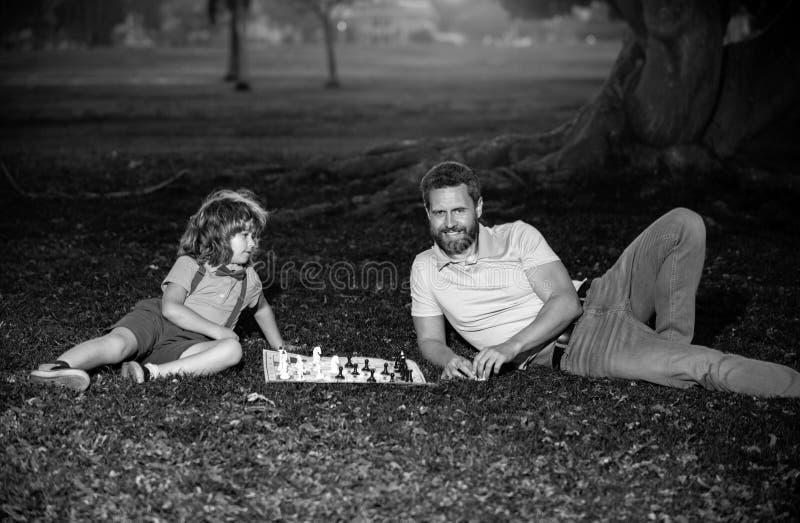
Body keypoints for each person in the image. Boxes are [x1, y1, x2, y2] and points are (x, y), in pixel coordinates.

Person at [410, 161, 800, 397]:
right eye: (439, 213)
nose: (449, 224)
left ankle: (668, 344)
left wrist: (508, 349)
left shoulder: (517, 235)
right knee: (706, 368)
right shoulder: (425, 269)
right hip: (581, 344)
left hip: (603, 292)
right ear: (427, 214)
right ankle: (671, 354)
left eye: (458, 211)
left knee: (683, 223)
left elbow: (563, 302)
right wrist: (449, 360)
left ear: (478, 207)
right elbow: (429, 339)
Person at [30, 189, 287, 391]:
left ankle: (149, 373)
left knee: (233, 351)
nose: (253, 243)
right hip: (156, 320)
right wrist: (220, 331)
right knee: (117, 345)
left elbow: (262, 309)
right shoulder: (190, 264)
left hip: (192, 344)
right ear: (219, 235)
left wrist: (280, 348)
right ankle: (57, 368)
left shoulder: (249, 279)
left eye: (254, 236)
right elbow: (171, 307)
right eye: (245, 235)